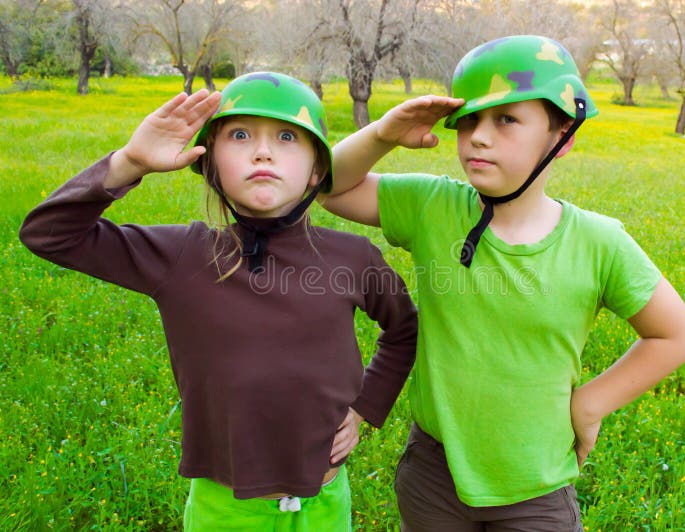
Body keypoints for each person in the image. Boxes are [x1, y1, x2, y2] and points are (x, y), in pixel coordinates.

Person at [320, 35, 685, 531]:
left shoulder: (599, 242)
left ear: (562, 136)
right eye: (469, 121)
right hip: (435, 476)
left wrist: (591, 402)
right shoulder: (433, 206)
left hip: (536, 488)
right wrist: (383, 134)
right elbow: (327, 187)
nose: (478, 137)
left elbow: (674, 334)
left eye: (507, 120)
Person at [19, 72, 418, 531]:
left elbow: (404, 327)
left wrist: (366, 406)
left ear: (316, 170)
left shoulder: (353, 257)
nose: (262, 151)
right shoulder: (183, 255)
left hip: (325, 502)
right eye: (240, 135)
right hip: (223, 509)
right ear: (210, 163)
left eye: (287, 137)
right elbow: (47, 235)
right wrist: (130, 161)